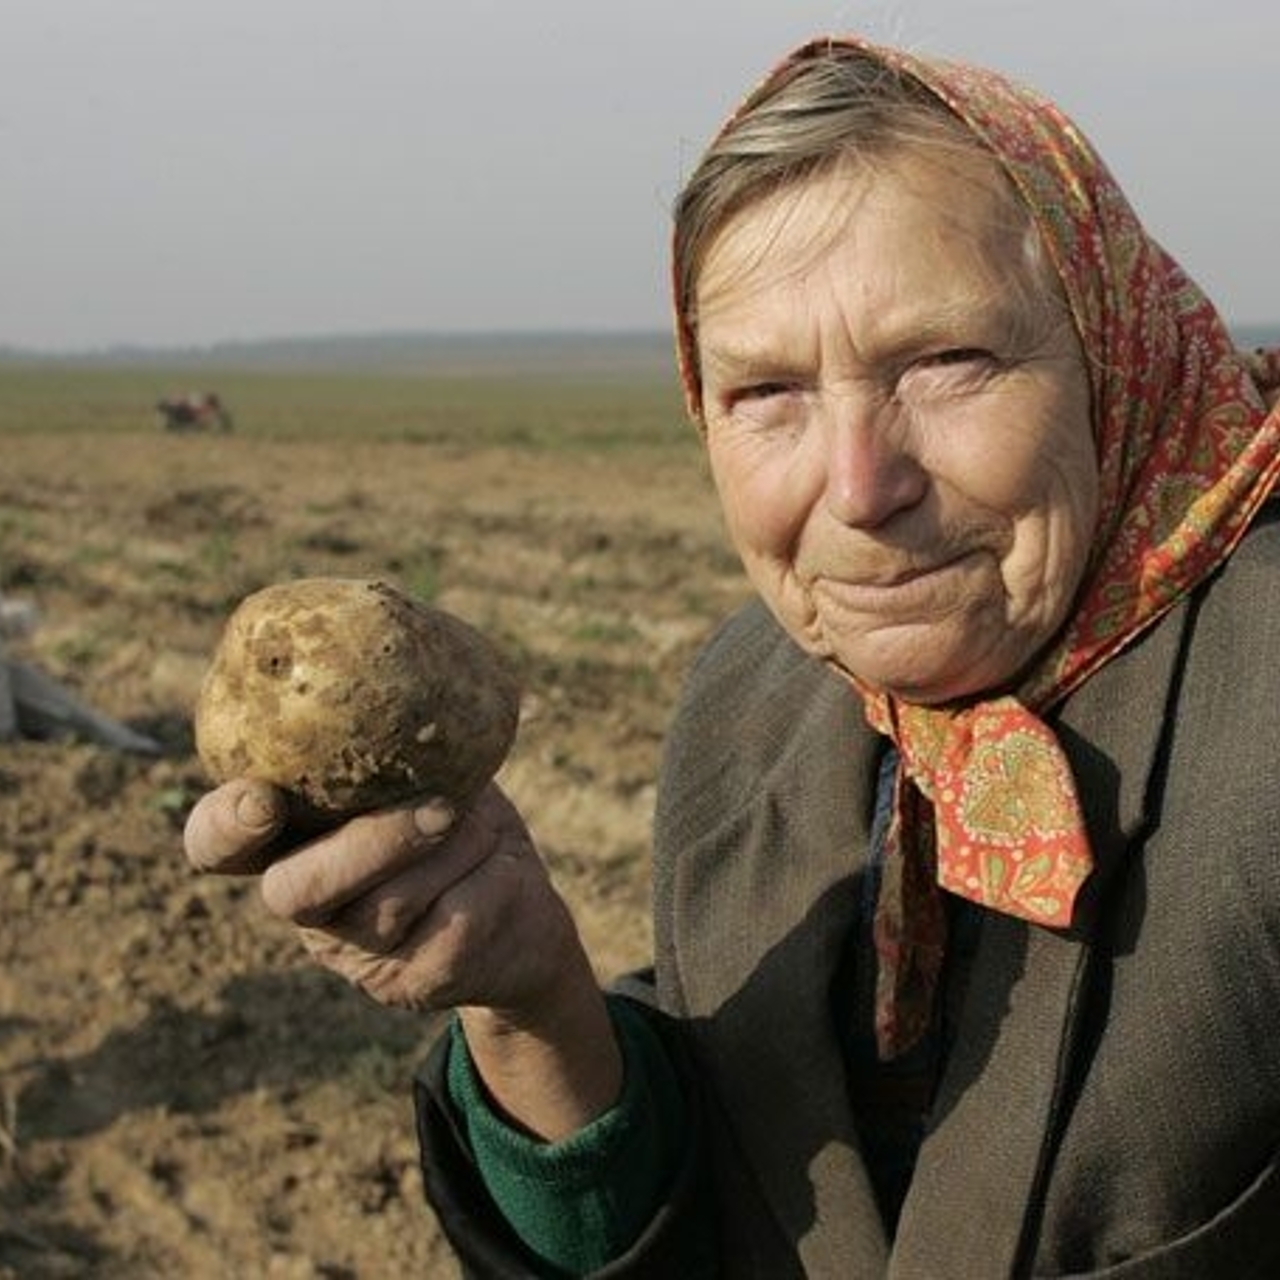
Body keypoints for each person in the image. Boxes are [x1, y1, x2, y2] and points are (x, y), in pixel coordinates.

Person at [185, 34, 1280, 1278]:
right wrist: (530, 1002)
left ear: (1112, 347)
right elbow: (742, 1205)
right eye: (765, 392)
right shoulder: (751, 700)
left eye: (945, 361)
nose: (859, 487)